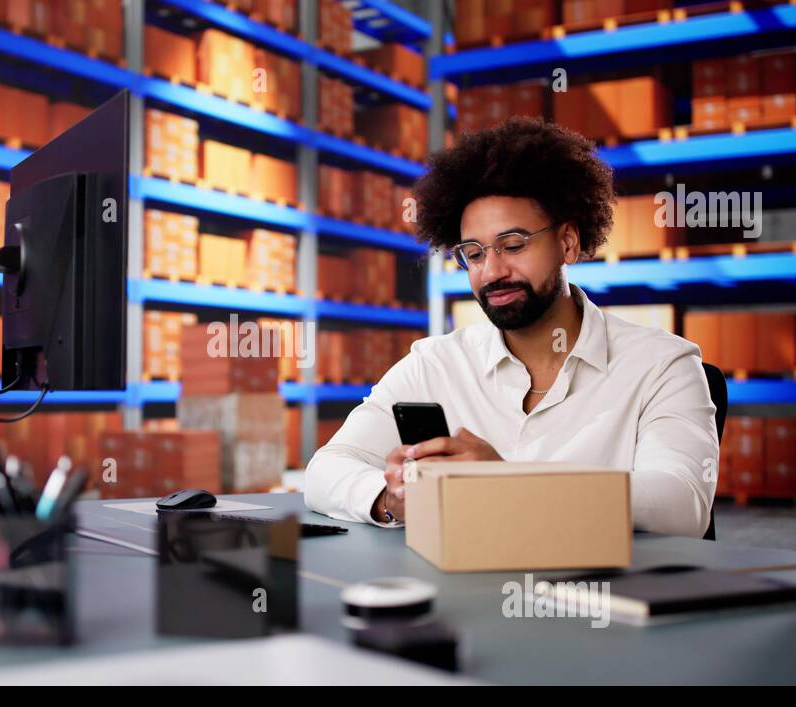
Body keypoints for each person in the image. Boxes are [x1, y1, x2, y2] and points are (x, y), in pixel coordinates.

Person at [304, 117, 718, 538]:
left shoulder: (662, 364)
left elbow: (681, 505)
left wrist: (511, 485)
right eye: (474, 253)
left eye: (514, 244)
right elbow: (326, 468)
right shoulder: (435, 364)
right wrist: (390, 500)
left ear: (568, 243)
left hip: (601, 595)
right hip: (461, 593)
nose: (493, 271)